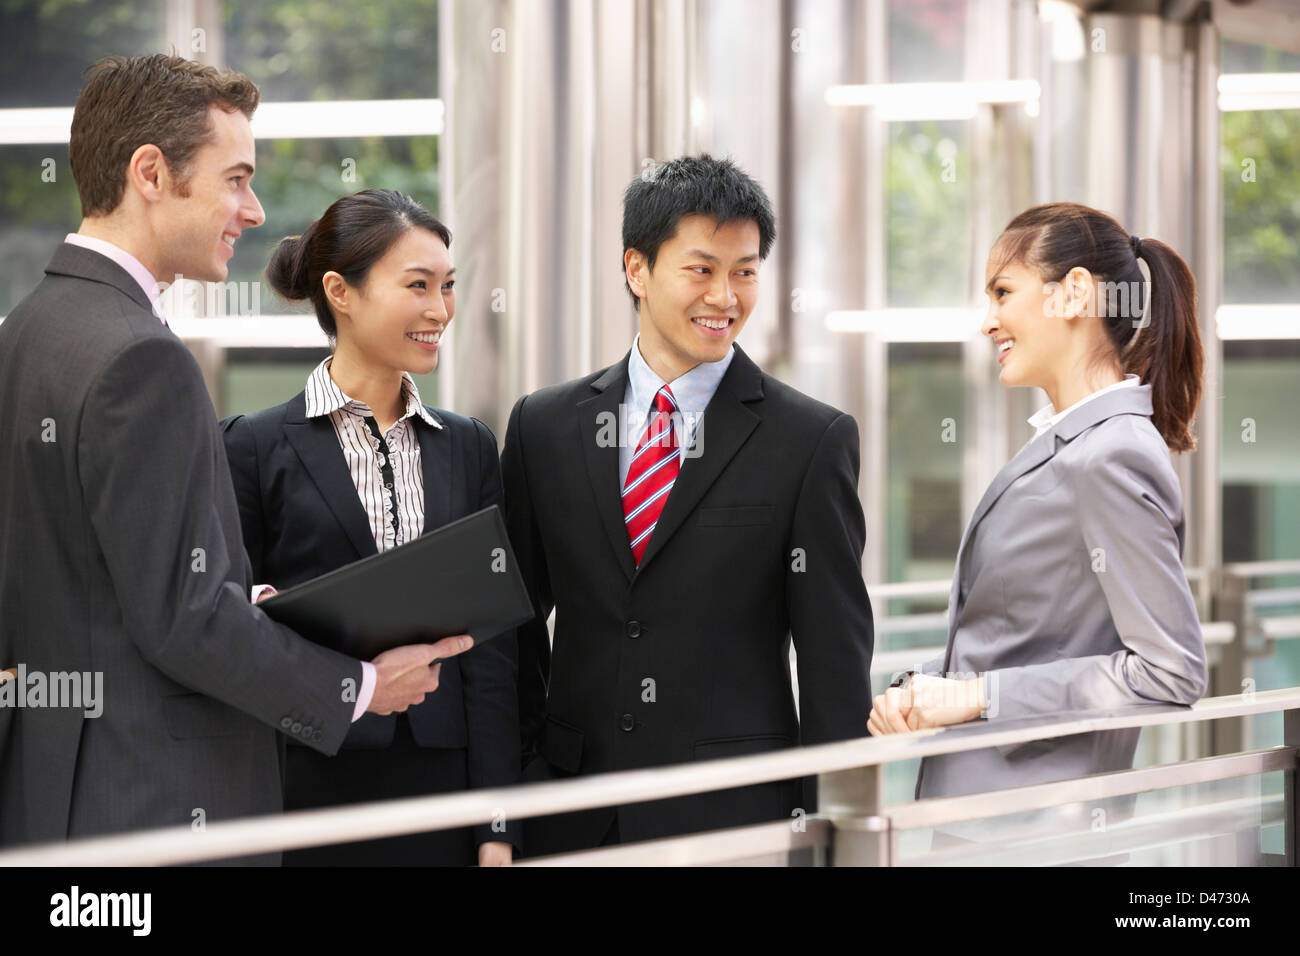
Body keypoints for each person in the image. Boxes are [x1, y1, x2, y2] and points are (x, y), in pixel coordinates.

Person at [0, 55, 468, 863]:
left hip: (52, 794)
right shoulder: (140, 358)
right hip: (149, 804)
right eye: (235, 179)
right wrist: (360, 687)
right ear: (151, 172)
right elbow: (184, 622)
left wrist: (236, 593)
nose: (252, 211)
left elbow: (91, 576)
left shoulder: (27, 330)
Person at [502, 154, 874, 855]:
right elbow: (512, 634)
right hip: (574, 818)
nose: (725, 296)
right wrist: (519, 788)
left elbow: (834, 667)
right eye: (701, 269)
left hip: (736, 826)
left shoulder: (810, 440)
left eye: (745, 271)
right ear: (637, 270)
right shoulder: (544, 427)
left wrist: (833, 837)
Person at [868, 202, 1208, 839]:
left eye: (1003, 292)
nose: (988, 321)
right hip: (990, 825)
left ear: (1073, 293)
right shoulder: (1077, 444)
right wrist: (925, 692)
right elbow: (1022, 638)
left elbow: (1171, 671)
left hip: (1032, 836)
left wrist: (980, 697)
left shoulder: (1110, 454)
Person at [220, 189, 519, 866]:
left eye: (447, 287)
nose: (440, 310)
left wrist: (498, 826)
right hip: (310, 787)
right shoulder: (252, 448)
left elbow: (495, 654)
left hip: (445, 795)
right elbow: (234, 631)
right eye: (417, 286)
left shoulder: (468, 446)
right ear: (340, 292)